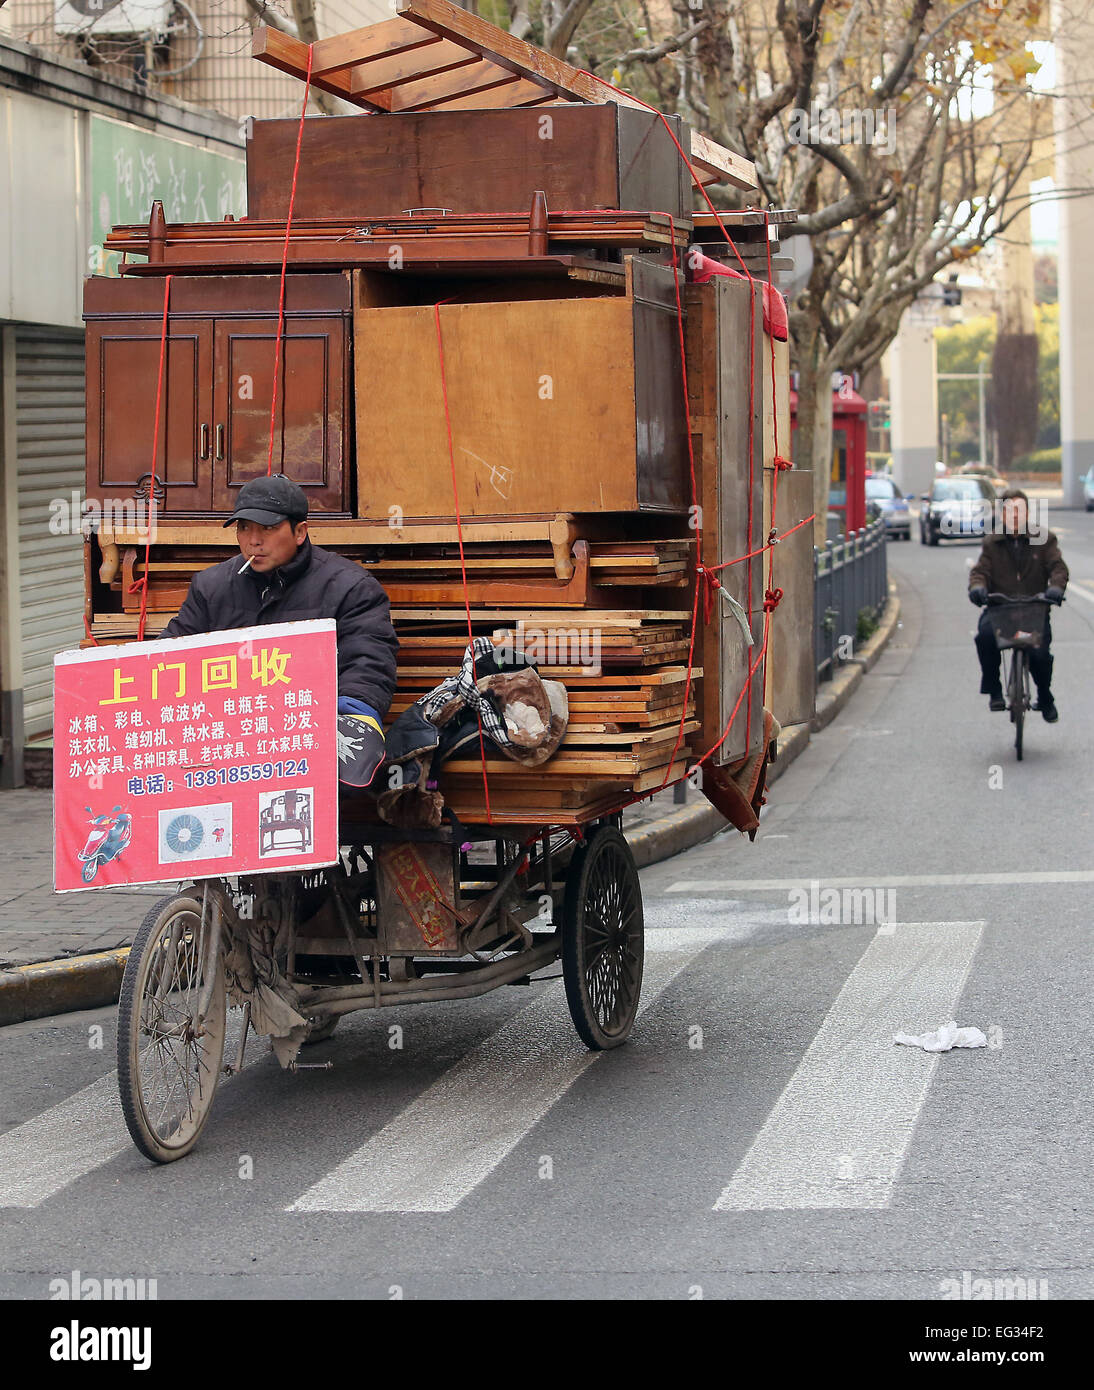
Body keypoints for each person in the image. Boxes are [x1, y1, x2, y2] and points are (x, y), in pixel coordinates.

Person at [161, 474, 398, 770]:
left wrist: (341, 723)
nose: (253, 540)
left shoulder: (350, 586)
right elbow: (169, 656)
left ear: (300, 532)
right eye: (244, 528)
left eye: (268, 528)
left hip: (309, 732)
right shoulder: (211, 586)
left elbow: (367, 664)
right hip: (226, 733)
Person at [968, 488, 1067, 722]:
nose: (1014, 516)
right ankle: (994, 690)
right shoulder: (992, 543)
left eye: (1019, 510)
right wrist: (977, 588)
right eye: (1010, 510)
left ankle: (1045, 696)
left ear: (1027, 513)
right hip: (1001, 608)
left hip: (1034, 609)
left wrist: (1055, 588)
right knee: (984, 637)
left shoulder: (1044, 539)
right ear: (1002, 514)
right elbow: (980, 572)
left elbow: (1058, 568)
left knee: (1040, 656)